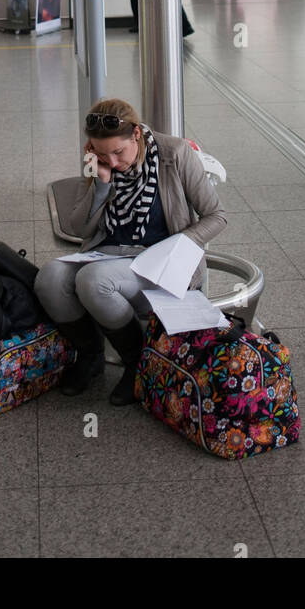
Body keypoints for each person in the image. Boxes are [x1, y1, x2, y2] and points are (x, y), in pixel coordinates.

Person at [35, 99, 226, 404]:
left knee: (93, 281)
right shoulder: (99, 162)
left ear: (136, 133)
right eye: (101, 153)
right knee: (49, 277)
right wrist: (99, 184)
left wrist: (176, 246)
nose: (111, 160)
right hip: (109, 253)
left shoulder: (174, 154)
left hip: (160, 261)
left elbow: (217, 216)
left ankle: (138, 364)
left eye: (118, 152)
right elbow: (78, 228)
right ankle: (90, 355)